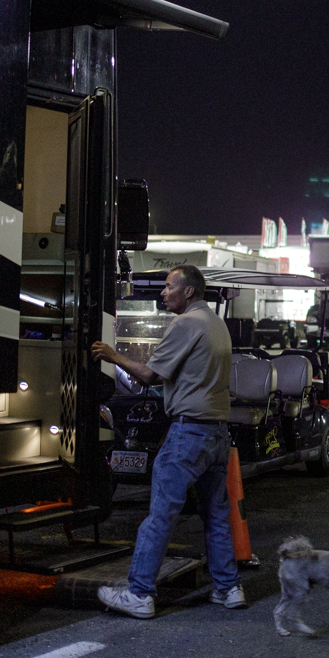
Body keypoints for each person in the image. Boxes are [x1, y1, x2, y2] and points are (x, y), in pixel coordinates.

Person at [89, 264, 245, 618]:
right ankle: (228, 587)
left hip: (188, 433)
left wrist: (111, 354)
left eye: (169, 286)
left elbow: (148, 375)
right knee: (217, 515)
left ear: (188, 292)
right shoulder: (216, 323)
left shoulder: (186, 323)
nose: (163, 292)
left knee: (160, 515)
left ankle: (140, 593)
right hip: (217, 433)